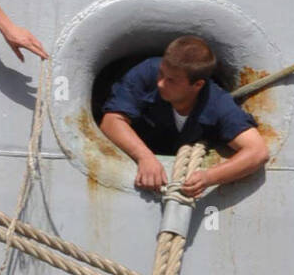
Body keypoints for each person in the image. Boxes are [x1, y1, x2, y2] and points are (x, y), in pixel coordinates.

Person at [99, 35, 269, 197]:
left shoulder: (218, 104)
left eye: (171, 80)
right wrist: (144, 156)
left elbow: (257, 152)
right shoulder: (147, 72)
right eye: (161, 74)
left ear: (197, 85)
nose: (160, 83)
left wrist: (208, 177)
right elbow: (111, 121)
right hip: (147, 147)